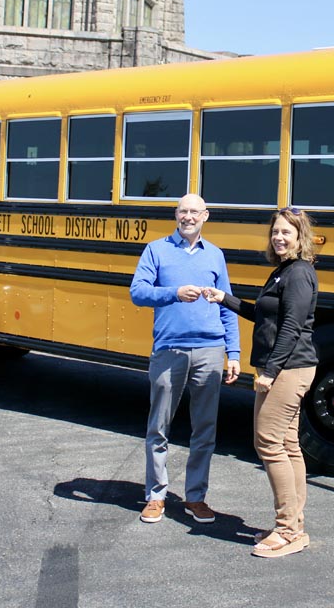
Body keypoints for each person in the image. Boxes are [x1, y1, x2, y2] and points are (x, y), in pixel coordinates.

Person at [205, 206, 318, 558]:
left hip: (287, 368)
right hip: (289, 366)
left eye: (287, 232)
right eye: (275, 232)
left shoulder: (299, 273)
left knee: (268, 443)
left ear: (301, 237)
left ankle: (287, 530)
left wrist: (269, 370)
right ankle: (294, 524)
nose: (279, 237)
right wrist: (224, 298)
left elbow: (292, 327)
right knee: (287, 444)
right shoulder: (284, 271)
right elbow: (264, 315)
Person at [130, 193, 240, 525]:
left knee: (204, 428)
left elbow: (227, 306)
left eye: (194, 211)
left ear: (205, 216)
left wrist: (232, 353)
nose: (188, 216)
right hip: (169, 350)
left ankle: (196, 497)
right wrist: (173, 293)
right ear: (176, 215)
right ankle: (156, 495)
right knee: (159, 426)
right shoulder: (156, 250)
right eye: (183, 211)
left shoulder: (215, 256)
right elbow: (137, 292)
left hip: (209, 350)